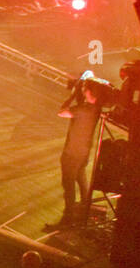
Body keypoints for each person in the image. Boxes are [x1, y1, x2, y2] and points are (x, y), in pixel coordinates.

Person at [44, 74, 109, 230]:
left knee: (68, 185)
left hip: (72, 153)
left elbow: (62, 112)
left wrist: (72, 95)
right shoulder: (96, 109)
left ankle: (68, 219)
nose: (83, 90)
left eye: (85, 89)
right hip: (83, 153)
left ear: (90, 93)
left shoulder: (83, 109)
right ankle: (85, 211)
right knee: (81, 181)